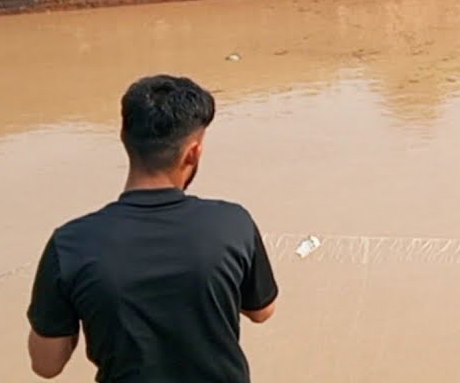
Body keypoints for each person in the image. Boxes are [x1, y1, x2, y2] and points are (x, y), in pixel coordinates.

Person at [26, 75, 278, 382]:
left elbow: (46, 364)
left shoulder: (70, 244)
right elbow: (262, 311)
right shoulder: (232, 223)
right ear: (193, 152)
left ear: (124, 139)